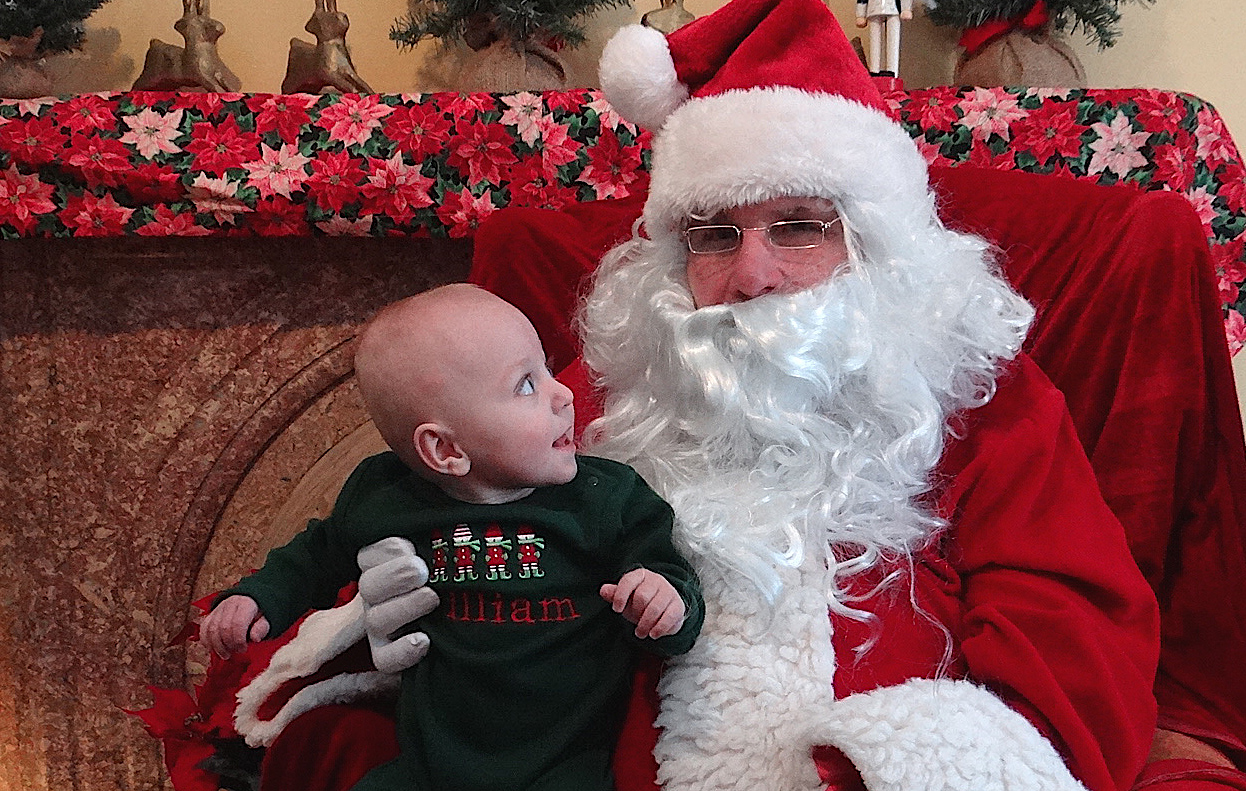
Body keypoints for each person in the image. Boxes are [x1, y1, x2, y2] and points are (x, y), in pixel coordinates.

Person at [240, 0, 1174, 789]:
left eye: (797, 227)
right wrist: (394, 624)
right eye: (715, 236)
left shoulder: (968, 397)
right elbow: (454, 524)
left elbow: (1074, 637)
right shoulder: (610, 394)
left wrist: (904, 761)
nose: (750, 275)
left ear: (874, 247)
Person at [200, 284, 704, 791]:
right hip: (430, 763)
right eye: (527, 385)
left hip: (565, 760)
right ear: (444, 450)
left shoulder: (605, 498)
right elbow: (318, 554)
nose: (564, 394)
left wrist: (664, 599)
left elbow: (665, 566)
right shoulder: (387, 498)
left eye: (548, 368)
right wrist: (257, 598)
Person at [855, 0, 914, 77]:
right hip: (873, 9)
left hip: (893, 8)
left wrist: (906, 8)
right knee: (874, 41)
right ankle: (874, 70)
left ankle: (892, 71)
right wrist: (861, 14)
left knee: (893, 41)